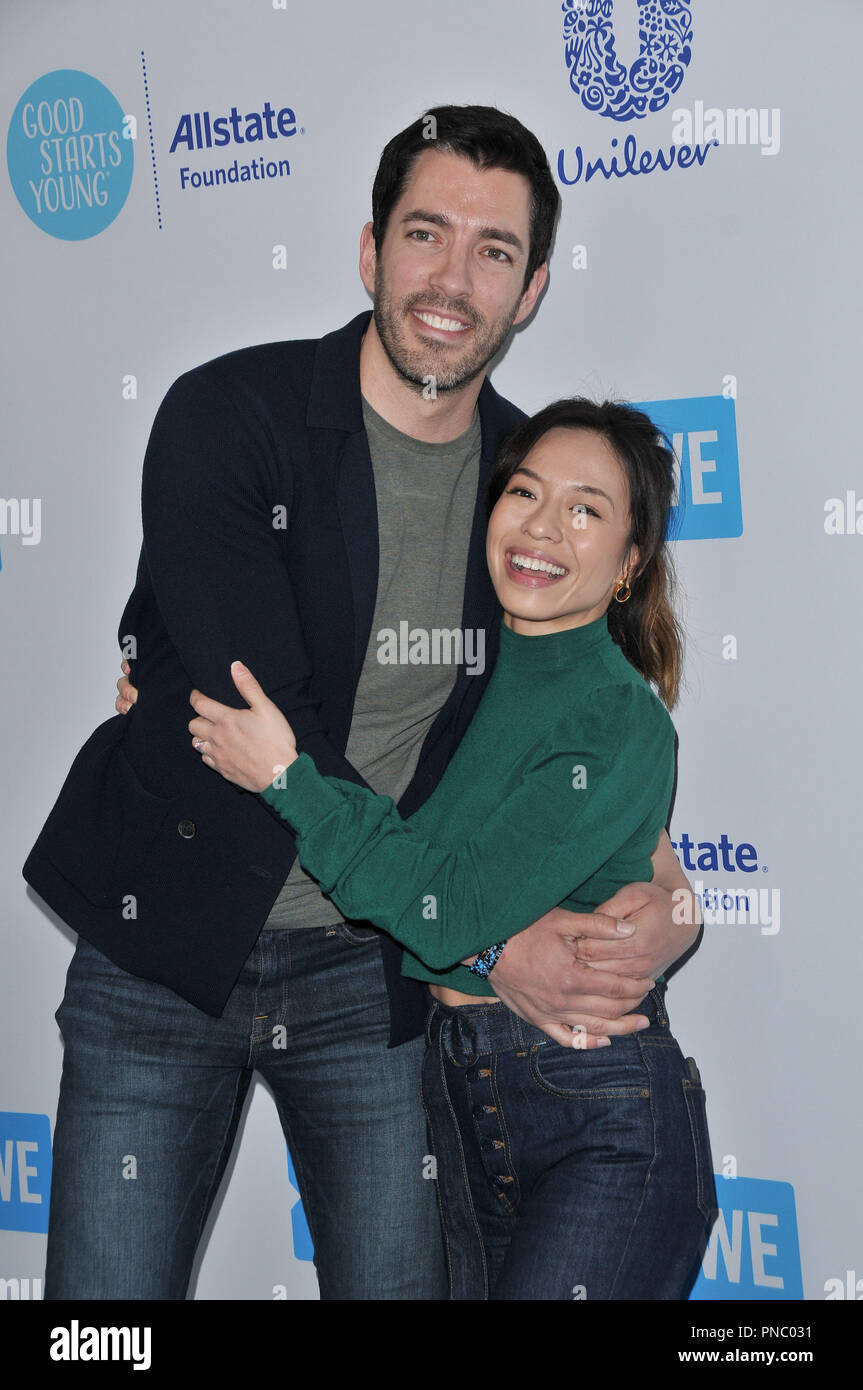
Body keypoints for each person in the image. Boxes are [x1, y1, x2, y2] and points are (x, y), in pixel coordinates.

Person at [23, 105, 700, 1301]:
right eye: (424, 234)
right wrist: (490, 938)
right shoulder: (228, 416)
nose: (451, 279)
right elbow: (268, 718)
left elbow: (558, 728)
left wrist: (664, 885)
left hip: (372, 973)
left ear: (532, 286)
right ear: (368, 250)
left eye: (492, 251)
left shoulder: (520, 493)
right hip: (164, 946)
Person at [187, 395, 717, 1300]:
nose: (543, 527)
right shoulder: (449, 676)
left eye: (585, 509)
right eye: (524, 493)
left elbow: (450, 903)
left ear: (628, 566)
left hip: (597, 1115)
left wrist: (287, 778)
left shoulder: (615, 717)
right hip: (457, 1105)